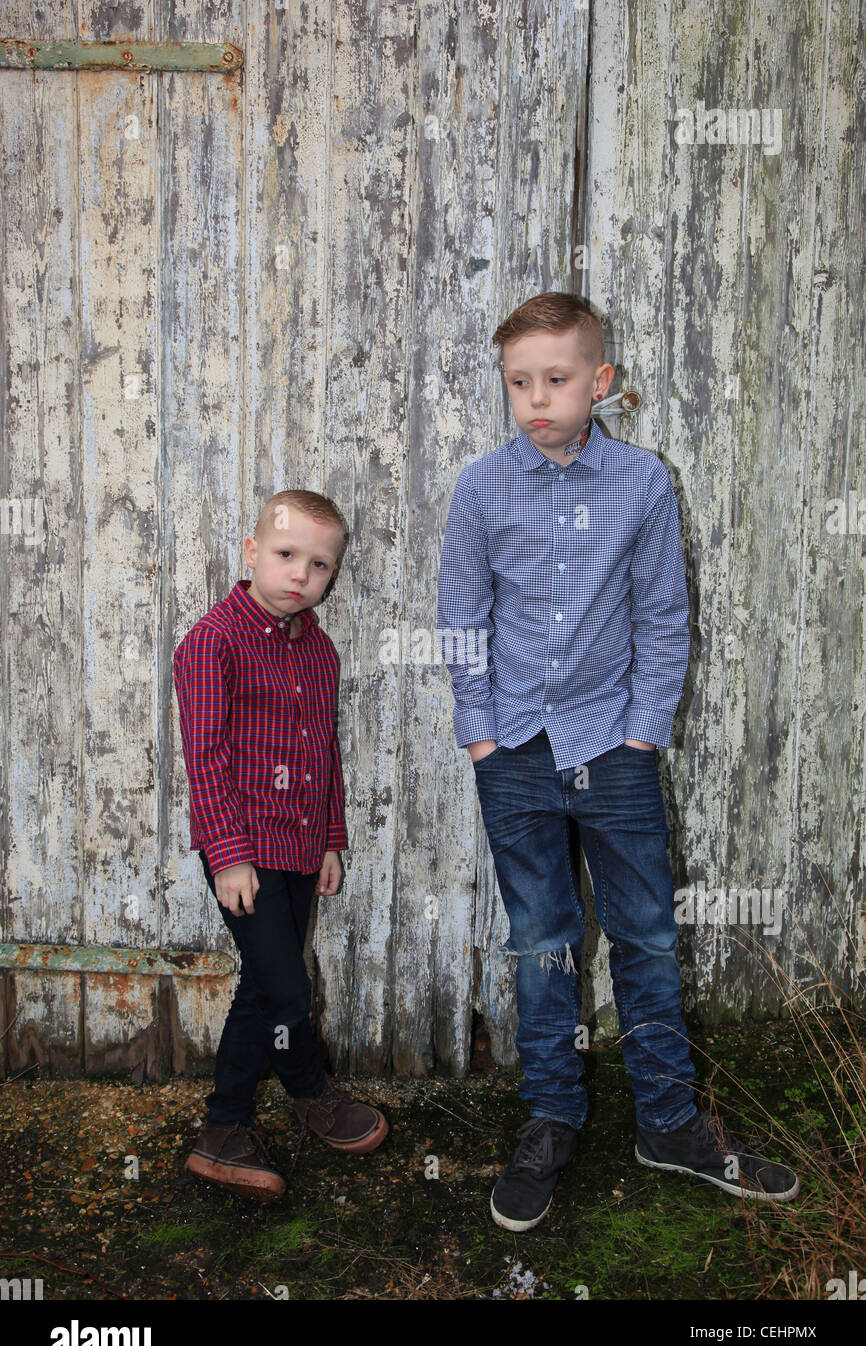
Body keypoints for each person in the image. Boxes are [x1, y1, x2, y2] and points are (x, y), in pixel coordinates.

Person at [436, 291, 799, 1231]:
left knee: (644, 935)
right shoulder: (481, 488)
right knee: (543, 940)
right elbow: (461, 622)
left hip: (615, 745)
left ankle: (670, 1123)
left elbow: (663, 617)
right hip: (514, 748)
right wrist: (481, 733)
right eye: (520, 382)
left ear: (600, 382)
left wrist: (643, 731)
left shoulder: (641, 482)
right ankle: (552, 1116)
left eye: (557, 380)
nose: (537, 399)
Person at [173, 489, 387, 1202]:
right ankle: (295, 1094)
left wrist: (329, 839)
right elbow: (203, 757)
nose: (301, 574)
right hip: (243, 846)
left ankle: (227, 1132)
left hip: (299, 845)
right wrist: (229, 854)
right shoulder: (212, 642)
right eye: (286, 554)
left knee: (269, 982)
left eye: (319, 565)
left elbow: (323, 748)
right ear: (251, 553)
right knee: (286, 985)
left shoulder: (317, 647)